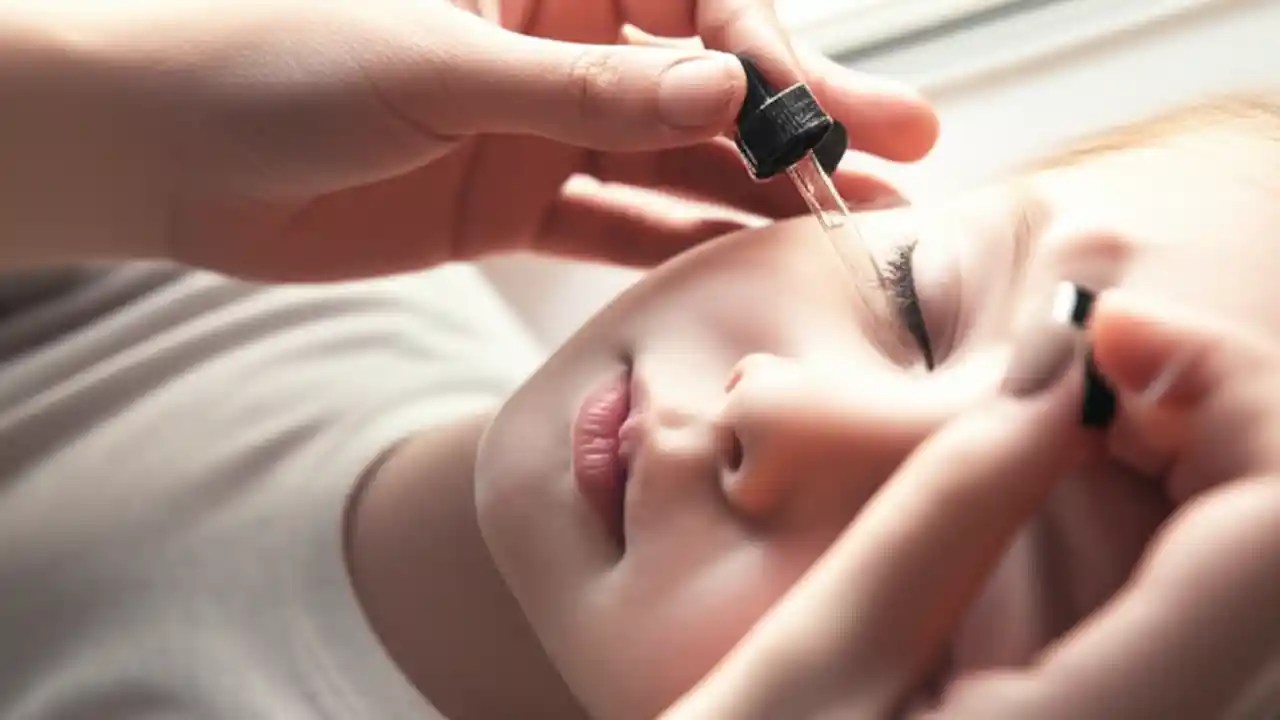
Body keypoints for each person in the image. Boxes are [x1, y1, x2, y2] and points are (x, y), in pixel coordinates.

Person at [1, 4, 1277, 720]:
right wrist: (75, 137)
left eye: (937, 580)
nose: (771, 413)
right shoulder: (215, 253)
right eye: (915, 305)